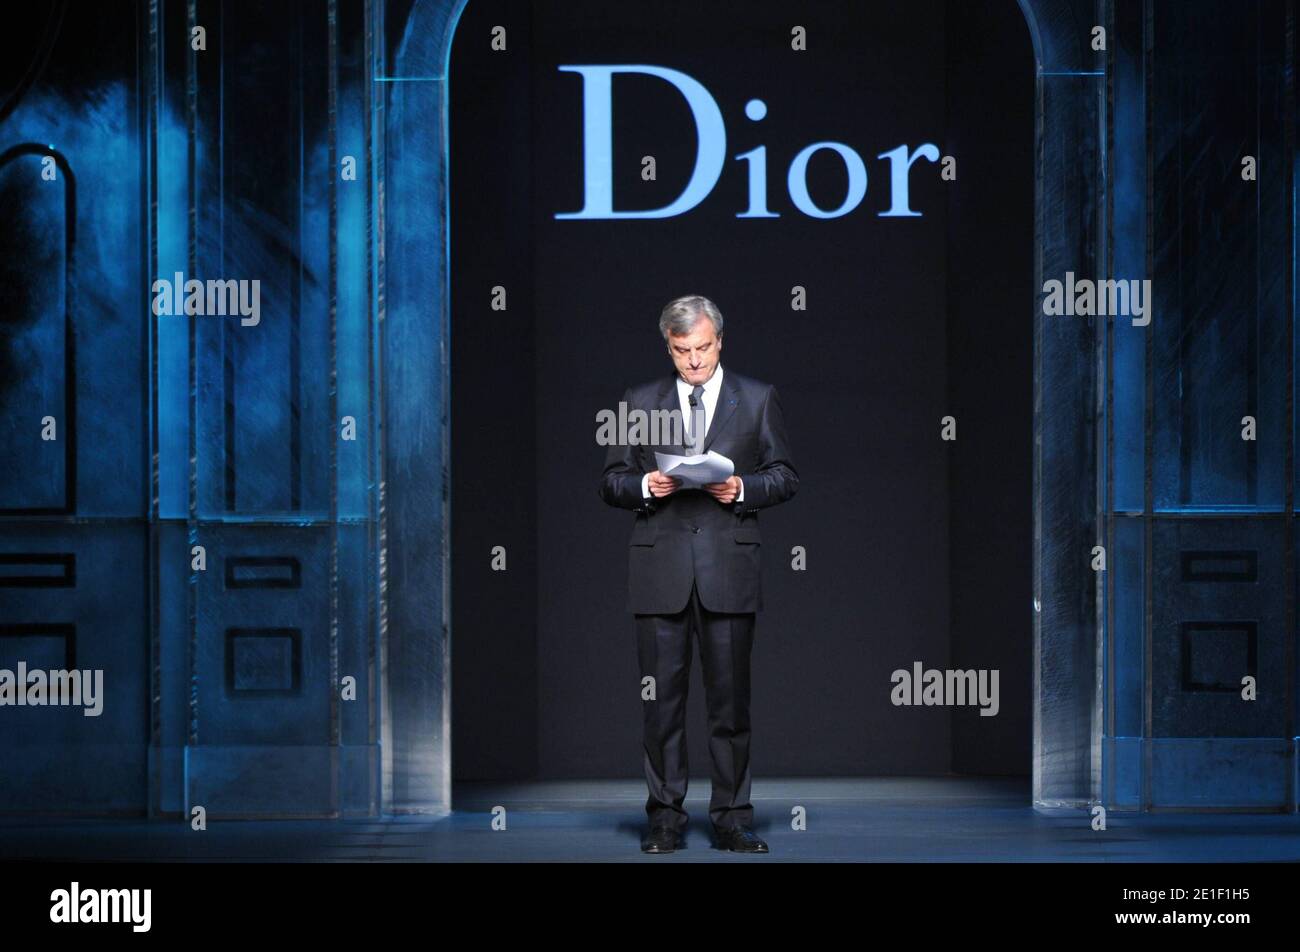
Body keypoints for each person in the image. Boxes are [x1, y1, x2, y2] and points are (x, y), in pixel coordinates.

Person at [598, 294, 799, 854]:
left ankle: (732, 817)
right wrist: (644, 486)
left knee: (730, 707)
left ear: (720, 341)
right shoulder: (639, 400)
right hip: (659, 570)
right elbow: (610, 480)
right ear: (668, 345)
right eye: (683, 350)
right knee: (660, 707)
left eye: (704, 348)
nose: (695, 361)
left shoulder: (757, 399)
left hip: (729, 570)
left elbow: (785, 475)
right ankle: (665, 818)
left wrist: (740, 489)